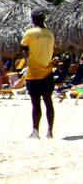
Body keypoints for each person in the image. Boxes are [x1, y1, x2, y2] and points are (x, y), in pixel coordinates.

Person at [21, 8, 56, 138]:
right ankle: (50, 132)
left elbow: (23, 48)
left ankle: (35, 131)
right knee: (48, 102)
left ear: (32, 20)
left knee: (36, 104)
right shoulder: (50, 34)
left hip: (34, 73)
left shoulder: (29, 33)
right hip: (48, 72)